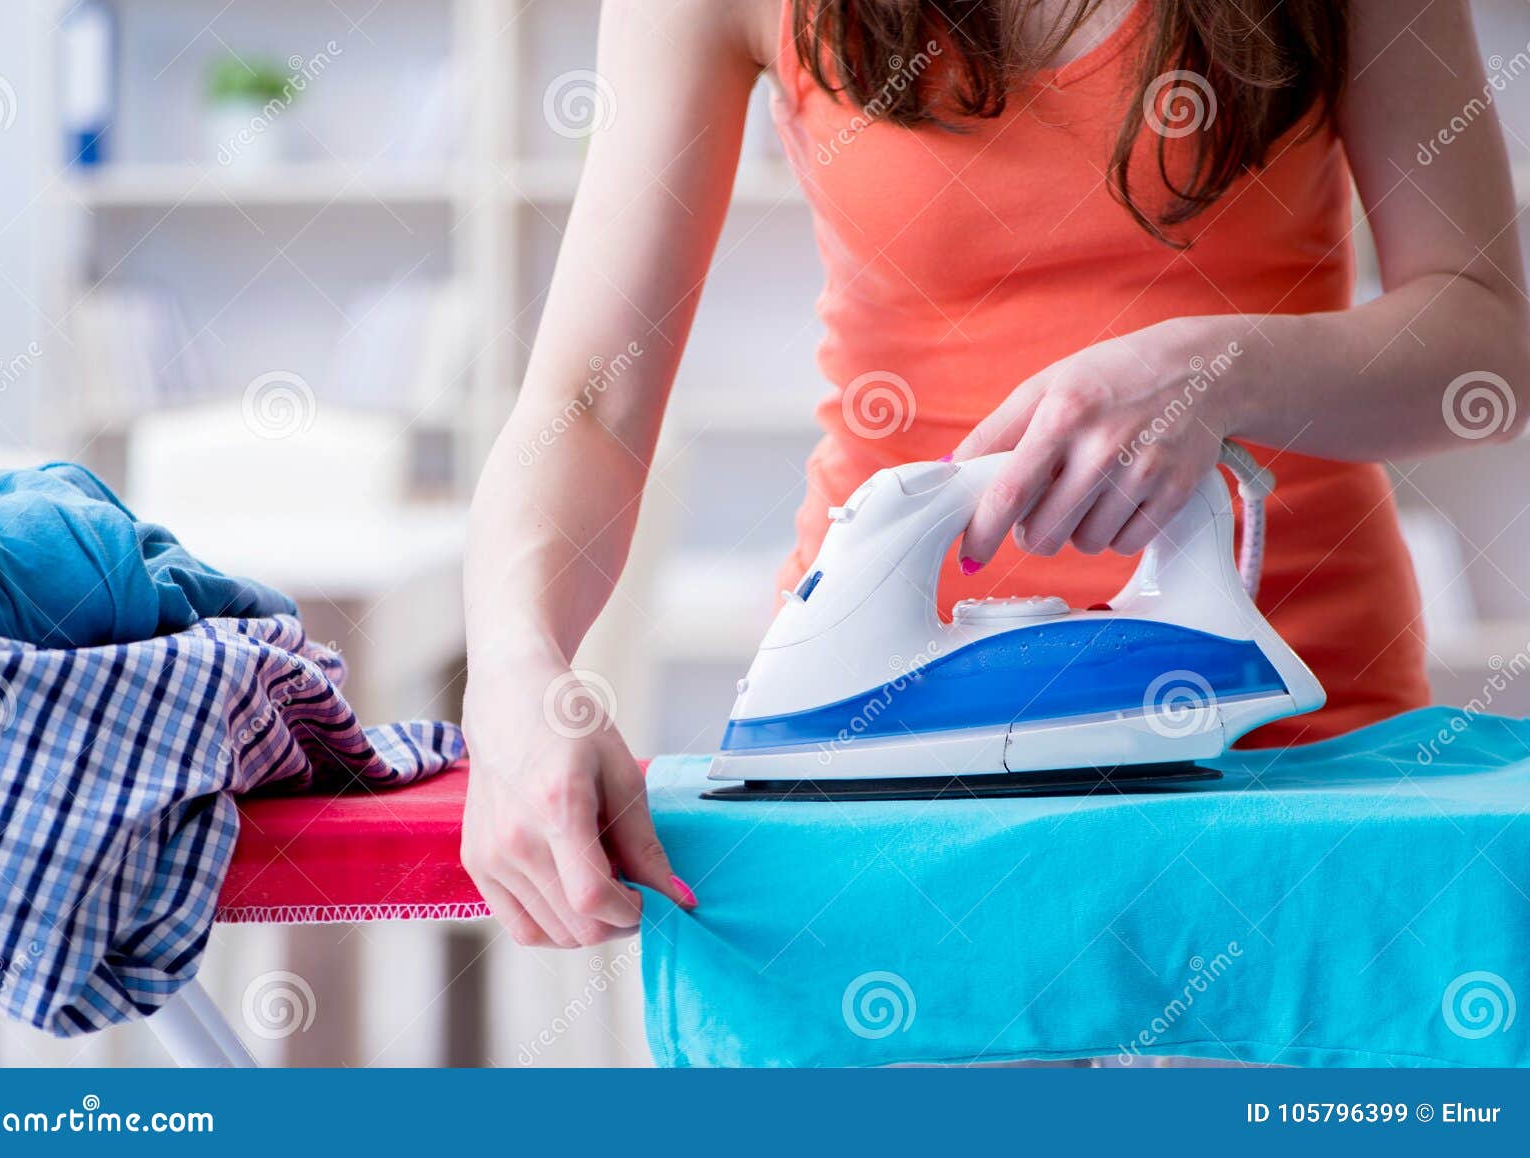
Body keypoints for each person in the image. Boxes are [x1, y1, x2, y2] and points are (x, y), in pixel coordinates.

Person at [461, 0, 1529, 948]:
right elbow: (588, 403)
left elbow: (1489, 350)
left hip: (1297, 742)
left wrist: (1211, 369)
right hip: (889, 792)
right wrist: (513, 671)